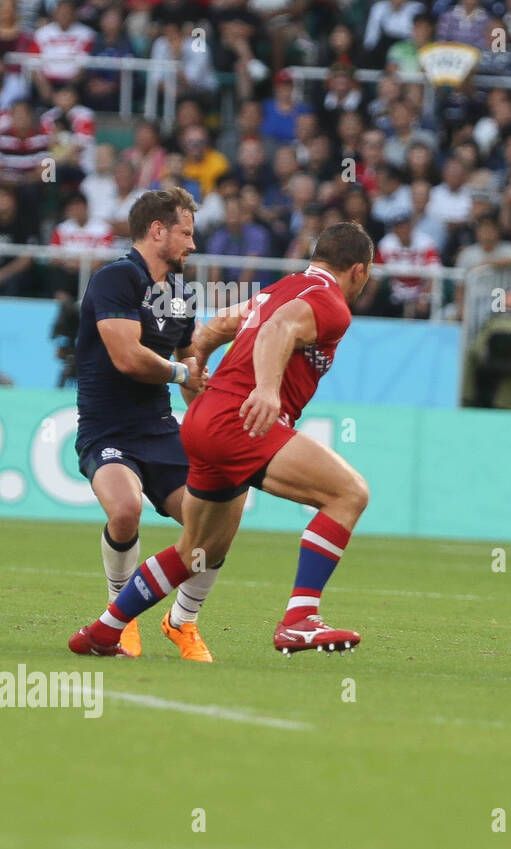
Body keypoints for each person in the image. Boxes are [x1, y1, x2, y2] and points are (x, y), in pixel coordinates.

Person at [68, 222, 376, 658]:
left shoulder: (281, 288)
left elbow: (208, 333)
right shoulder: (330, 302)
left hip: (207, 418)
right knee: (349, 494)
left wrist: (198, 384)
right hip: (241, 422)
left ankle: (103, 630)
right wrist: (267, 389)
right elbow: (277, 332)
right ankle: (299, 619)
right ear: (359, 271)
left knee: (197, 548)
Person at [70, 187, 220, 661]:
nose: (191, 245)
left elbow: (191, 367)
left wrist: (214, 407)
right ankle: (121, 617)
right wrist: (183, 373)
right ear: (157, 231)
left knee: (211, 525)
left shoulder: (182, 294)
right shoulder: (115, 279)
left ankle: (183, 622)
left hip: (159, 431)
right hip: (107, 429)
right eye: (185, 233)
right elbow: (128, 357)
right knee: (124, 510)